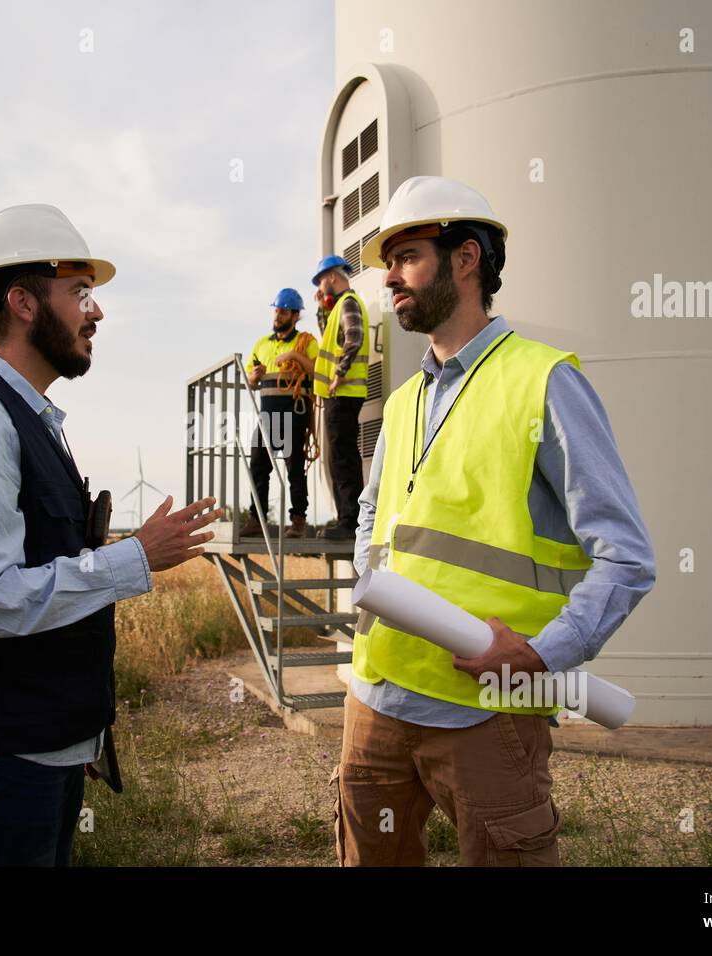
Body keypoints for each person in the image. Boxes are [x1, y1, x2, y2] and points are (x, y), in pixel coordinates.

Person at [334, 176, 656, 866]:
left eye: (408, 255)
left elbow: (626, 557)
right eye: (388, 262)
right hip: (376, 699)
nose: (389, 277)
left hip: (486, 713)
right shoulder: (401, 403)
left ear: (467, 258)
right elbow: (372, 516)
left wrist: (544, 655)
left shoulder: (543, 381)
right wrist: (369, 581)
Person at [0, 204, 220, 866]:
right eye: (79, 293)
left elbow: (39, 569)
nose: (96, 312)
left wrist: (74, 735)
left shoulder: (35, 419)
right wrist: (134, 559)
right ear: (22, 302)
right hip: (2, 748)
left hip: (40, 742)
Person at [240, 288, 318, 539]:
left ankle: (297, 521)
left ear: (295, 315)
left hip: (294, 411)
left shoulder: (306, 342)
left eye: (283, 312)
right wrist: (254, 376)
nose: (278, 316)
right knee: (258, 466)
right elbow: (249, 379)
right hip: (268, 415)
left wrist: (295, 355)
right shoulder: (261, 345)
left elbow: (317, 371)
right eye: (276, 310)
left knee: (295, 467)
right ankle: (256, 519)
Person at [310, 255, 370, 540]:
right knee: (340, 456)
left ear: (332, 276)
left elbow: (354, 338)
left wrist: (339, 374)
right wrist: (321, 306)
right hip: (340, 395)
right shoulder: (338, 307)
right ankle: (347, 518)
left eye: (322, 281)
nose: (321, 288)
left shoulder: (347, 303)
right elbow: (331, 338)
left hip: (343, 393)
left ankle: (350, 521)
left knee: (343, 457)